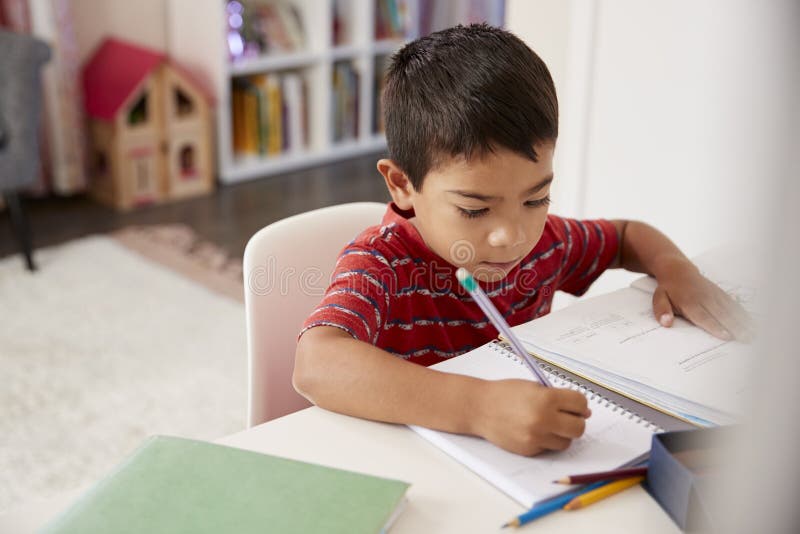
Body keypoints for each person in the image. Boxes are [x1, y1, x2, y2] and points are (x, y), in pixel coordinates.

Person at [293, 24, 750, 456]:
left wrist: (677, 270)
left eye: (537, 198)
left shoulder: (546, 243)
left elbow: (626, 235)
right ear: (402, 185)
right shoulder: (381, 263)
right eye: (475, 209)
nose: (511, 236)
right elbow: (316, 365)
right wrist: (478, 407)